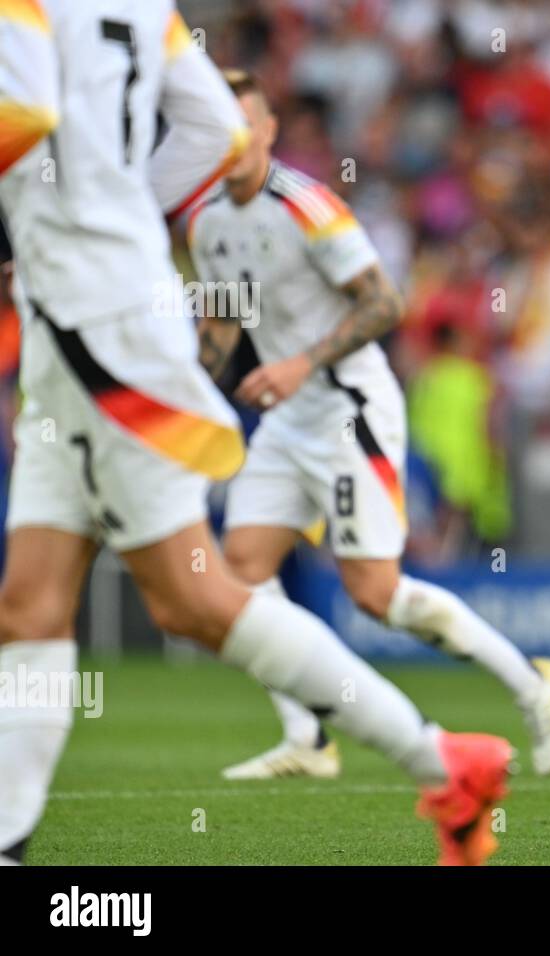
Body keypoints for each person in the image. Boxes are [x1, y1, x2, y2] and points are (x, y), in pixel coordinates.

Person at [0, 0, 508, 867]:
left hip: (96, 326)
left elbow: (24, 112)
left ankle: (443, 758)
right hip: (84, 312)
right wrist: (117, 215)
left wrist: (82, 222)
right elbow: (214, 130)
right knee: (31, 605)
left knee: (192, 597)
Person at [186, 70, 550, 781]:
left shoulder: (307, 208)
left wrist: (300, 363)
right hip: (286, 416)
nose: (235, 141)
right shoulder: (207, 221)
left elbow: (384, 304)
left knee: (376, 593)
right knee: (241, 572)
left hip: (347, 408)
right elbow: (218, 324)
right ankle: (308, 736)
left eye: (248, 126)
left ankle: (533, 683)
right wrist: (183, 387)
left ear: (269, 131)